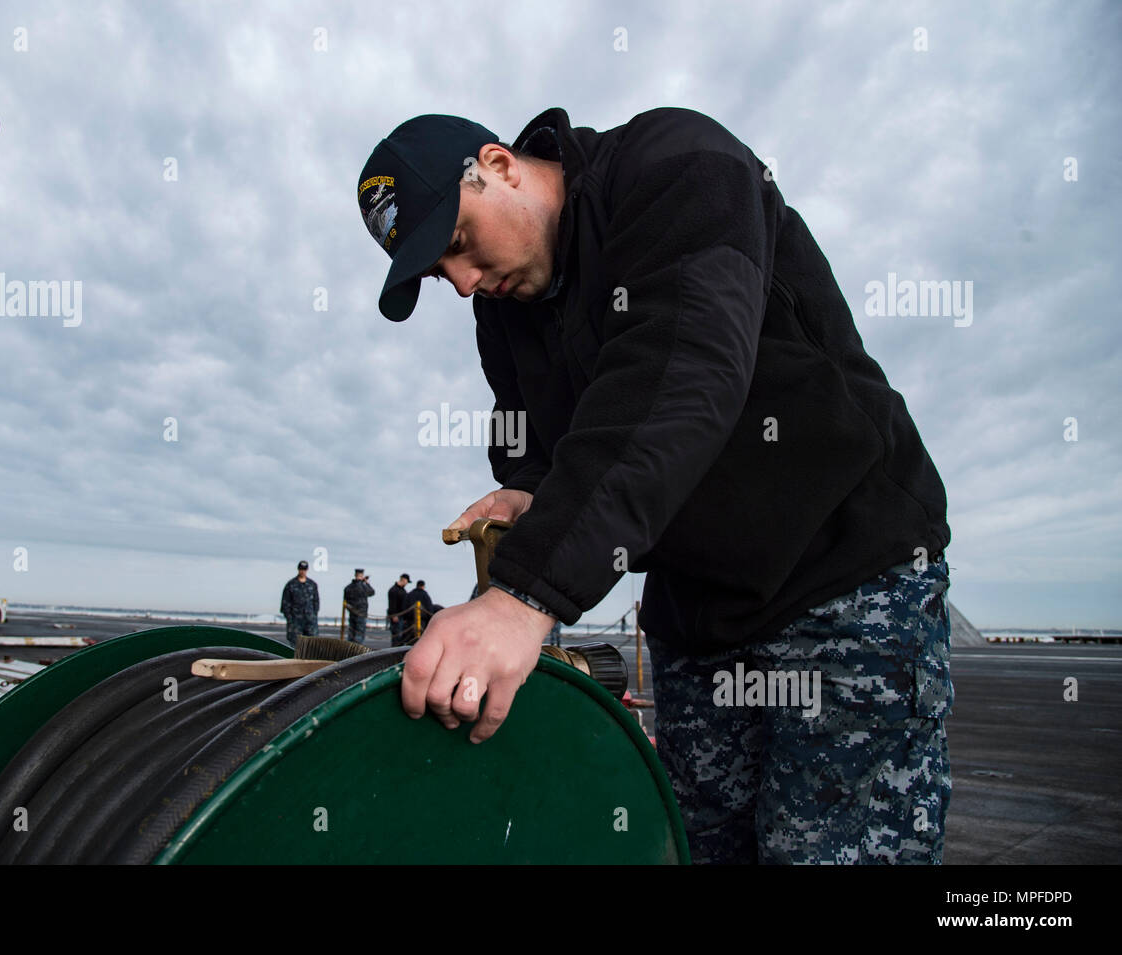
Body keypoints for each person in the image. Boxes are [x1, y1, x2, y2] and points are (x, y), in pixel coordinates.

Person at [356, 108, 953, 865]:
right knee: (690, 851)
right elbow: (539, 449)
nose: (467, 282)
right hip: (697, 620)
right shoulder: (504, 318)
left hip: (843, 580)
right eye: (443, 276)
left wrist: (524, 596)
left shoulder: (678, 165)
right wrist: (530, 493)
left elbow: (684, 372)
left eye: (459, 244)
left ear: (500, 166)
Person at [279, 560, 319, 649]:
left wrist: (313, 615)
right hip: (295, 621)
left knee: (312, 646)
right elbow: (285, 603)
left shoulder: (312, 585)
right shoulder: (291, 584)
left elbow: (316, 602)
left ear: (307, 570)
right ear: (298, 569)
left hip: (310, 621)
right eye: (301, 569)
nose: (303, 571)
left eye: (304, 569)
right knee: (295, 647)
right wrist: (290, 618)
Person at [343, 568, 375, 644]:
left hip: (352, 613)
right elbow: (372, 592)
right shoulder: (363, 587)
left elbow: (346, 601)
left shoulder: (348, 587)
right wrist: (367, 583)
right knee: (359, 634)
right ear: (362, 575)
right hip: (361, 613)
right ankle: (358, 652)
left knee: (351, 634)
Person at [387, 573, 411, 646]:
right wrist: (394, 615)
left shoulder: (402, 590)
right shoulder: (394, 590)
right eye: (407, 582)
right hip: (397, 616)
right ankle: (394, 654)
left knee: (400, 637)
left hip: (402, 616)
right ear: (404, 580)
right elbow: (392, 604)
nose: (407, 584)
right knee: (397, 636)